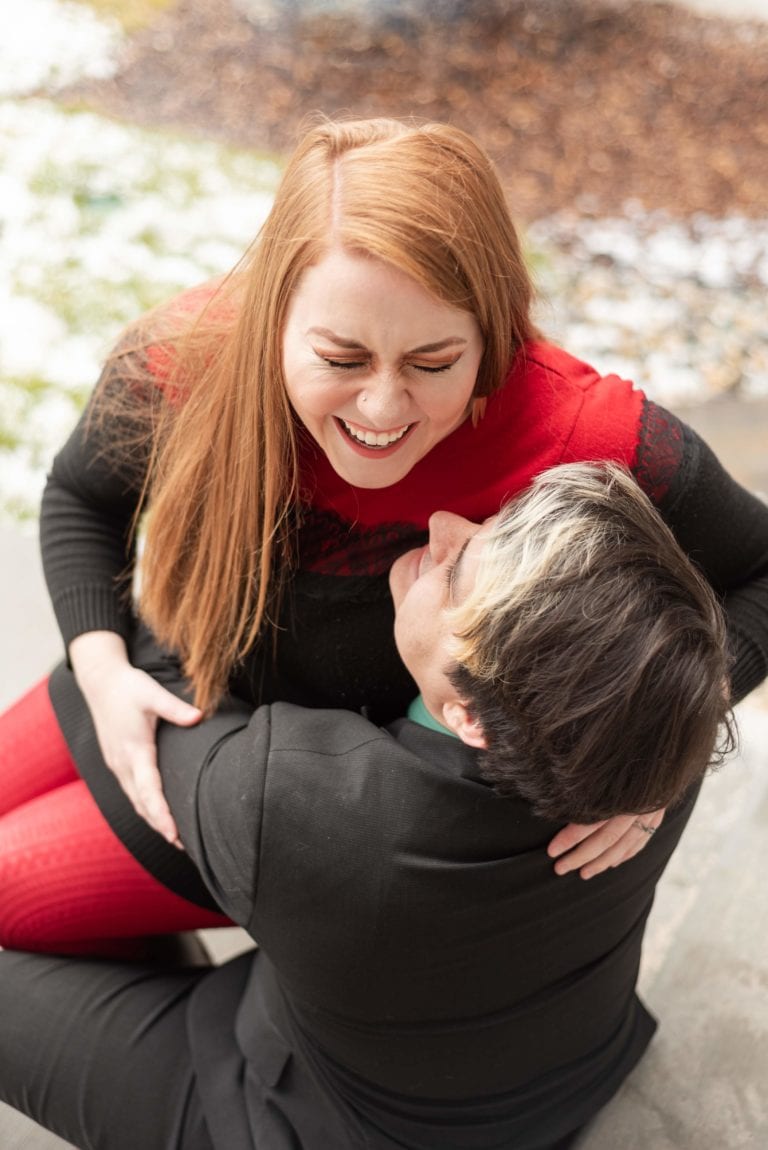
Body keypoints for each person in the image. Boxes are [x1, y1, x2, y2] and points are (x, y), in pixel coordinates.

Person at [1, 117, 767, 951]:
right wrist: (102, 666)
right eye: (341, 357)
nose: (382, 410)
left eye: (435, 363)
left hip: (307, 810)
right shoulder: (185, 360)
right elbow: (81, 495)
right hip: (174, 678)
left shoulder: (584, 433)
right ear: (273, 314)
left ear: (494, 328)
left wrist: (652, 743)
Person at [0, 463, 734, 1150]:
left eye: (453, 575)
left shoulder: (310, 806)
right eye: (489, 525)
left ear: (470, 717)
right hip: (551, 1080)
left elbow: (159, 680)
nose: (445, 521)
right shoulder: (655, 741)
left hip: (301, 1118)